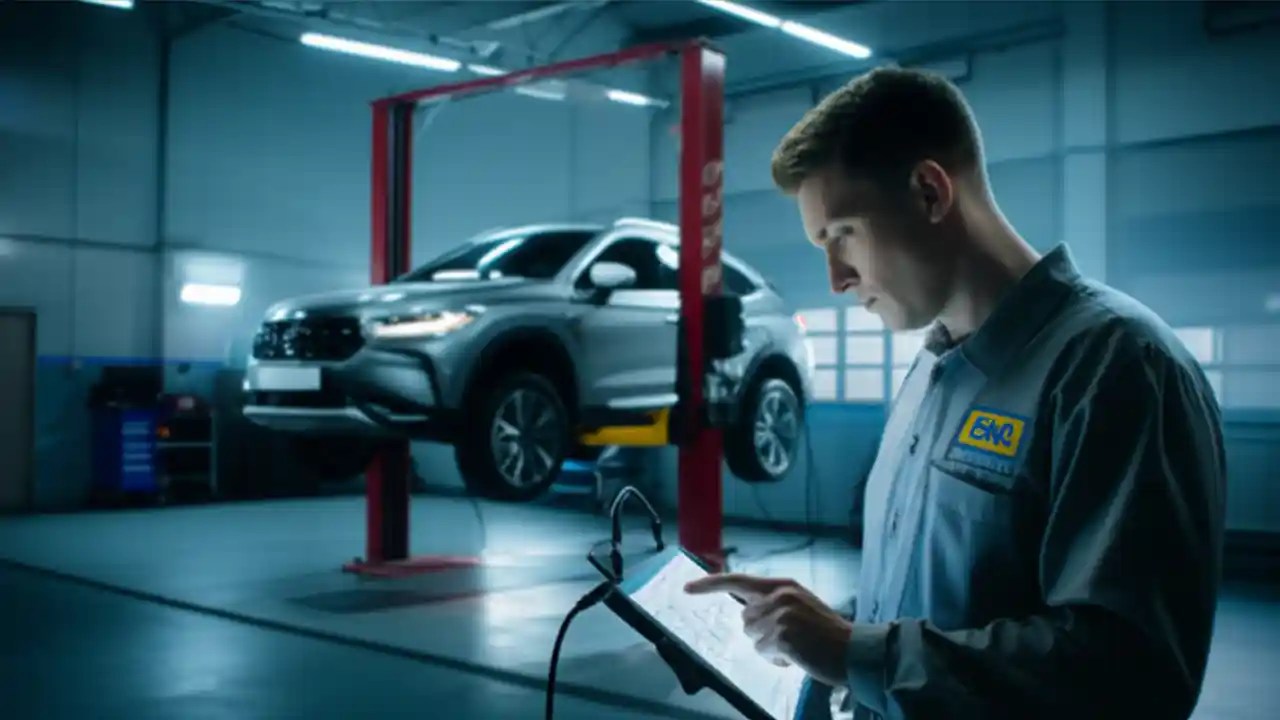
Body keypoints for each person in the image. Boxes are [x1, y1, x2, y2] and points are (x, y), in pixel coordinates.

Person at [684, 67, 1227, 720]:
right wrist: (828, 628)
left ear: (929, 192)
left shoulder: (1118, 368)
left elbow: (1128, 675)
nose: (834, 278)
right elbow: (938, 606)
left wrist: (858, 652)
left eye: (841, 235)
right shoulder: (931, 375)